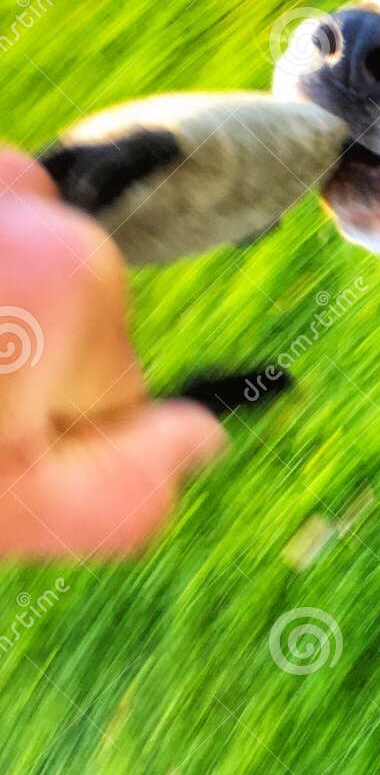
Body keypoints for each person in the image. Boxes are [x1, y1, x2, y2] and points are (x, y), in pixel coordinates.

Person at [0, 146, 224, 557]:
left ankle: (177, 417)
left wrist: (192, 428)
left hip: (54, 278)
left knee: (106, 430)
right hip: (50, 255)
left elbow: (116, 516)